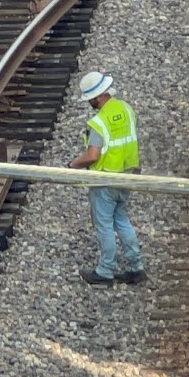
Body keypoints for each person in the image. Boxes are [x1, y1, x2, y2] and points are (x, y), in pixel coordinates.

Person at [66, 71, 145, 287]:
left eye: (90, 98)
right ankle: (135, 267)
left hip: (105, 179)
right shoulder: (126, 109)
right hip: (126, 175)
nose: (89, 102)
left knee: (104, 225)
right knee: (121, 219)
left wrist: (72, 165)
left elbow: (93, 155)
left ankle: (105, 271)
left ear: (99, 96)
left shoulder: (99, 122)